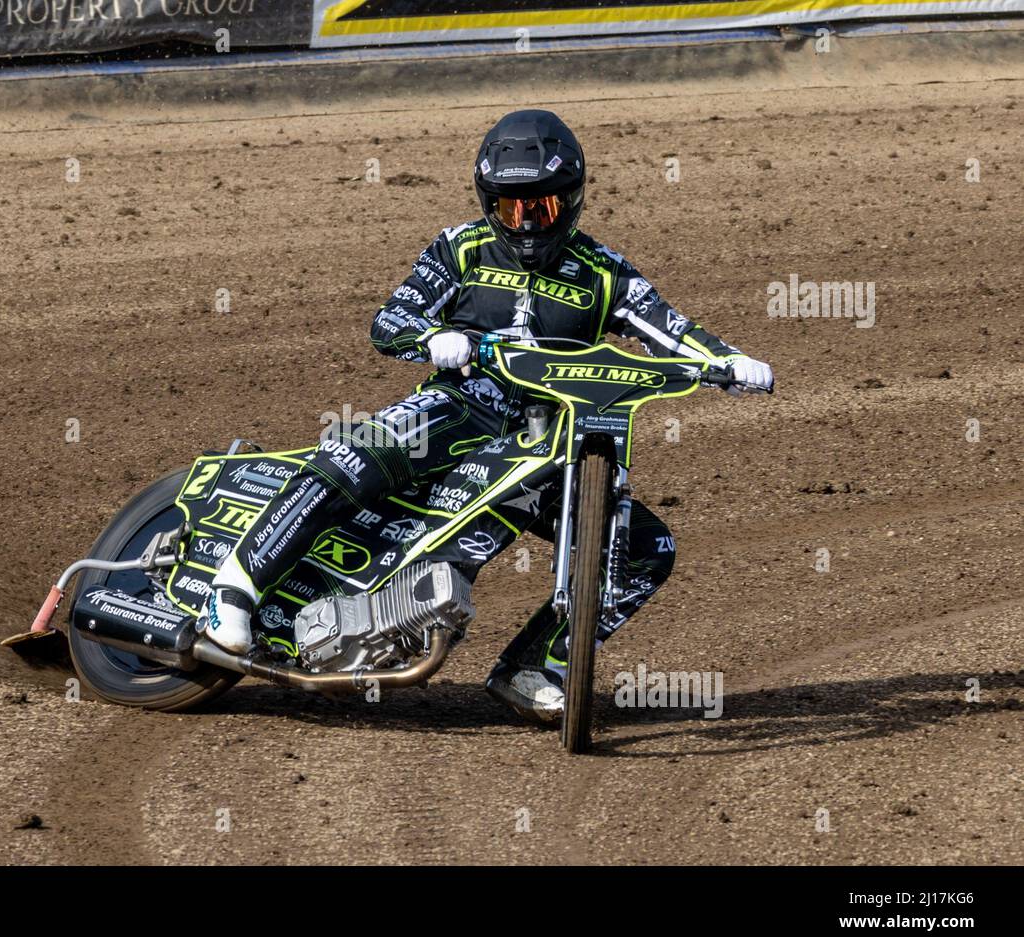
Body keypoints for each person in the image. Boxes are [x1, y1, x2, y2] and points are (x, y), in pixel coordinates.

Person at [197, 109, 773, 723]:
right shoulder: (460, 247)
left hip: (543, 442)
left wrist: (731, 362)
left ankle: (535, 667)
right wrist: (431, 340)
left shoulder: (605, 272)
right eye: (508, 209)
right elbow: (389, 322)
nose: (524, 222)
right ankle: (234, 589)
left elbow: (671, 330)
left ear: (570, 201)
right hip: (457, 405)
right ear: (488, 202)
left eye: (540, 210)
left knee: (646, 547)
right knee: (356, 449)